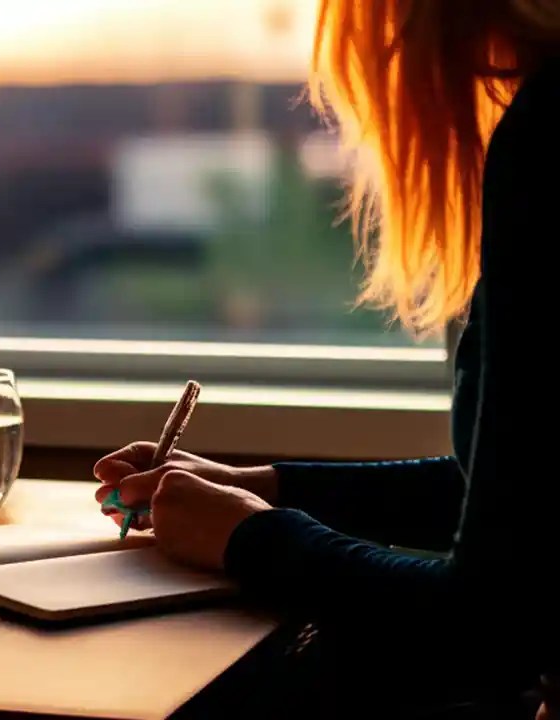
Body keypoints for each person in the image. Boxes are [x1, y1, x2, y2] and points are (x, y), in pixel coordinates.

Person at [94, 1, 560, 718]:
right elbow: (518, 502)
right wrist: (265, 487)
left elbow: (488, 625)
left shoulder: (548, 138)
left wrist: (250, 537)